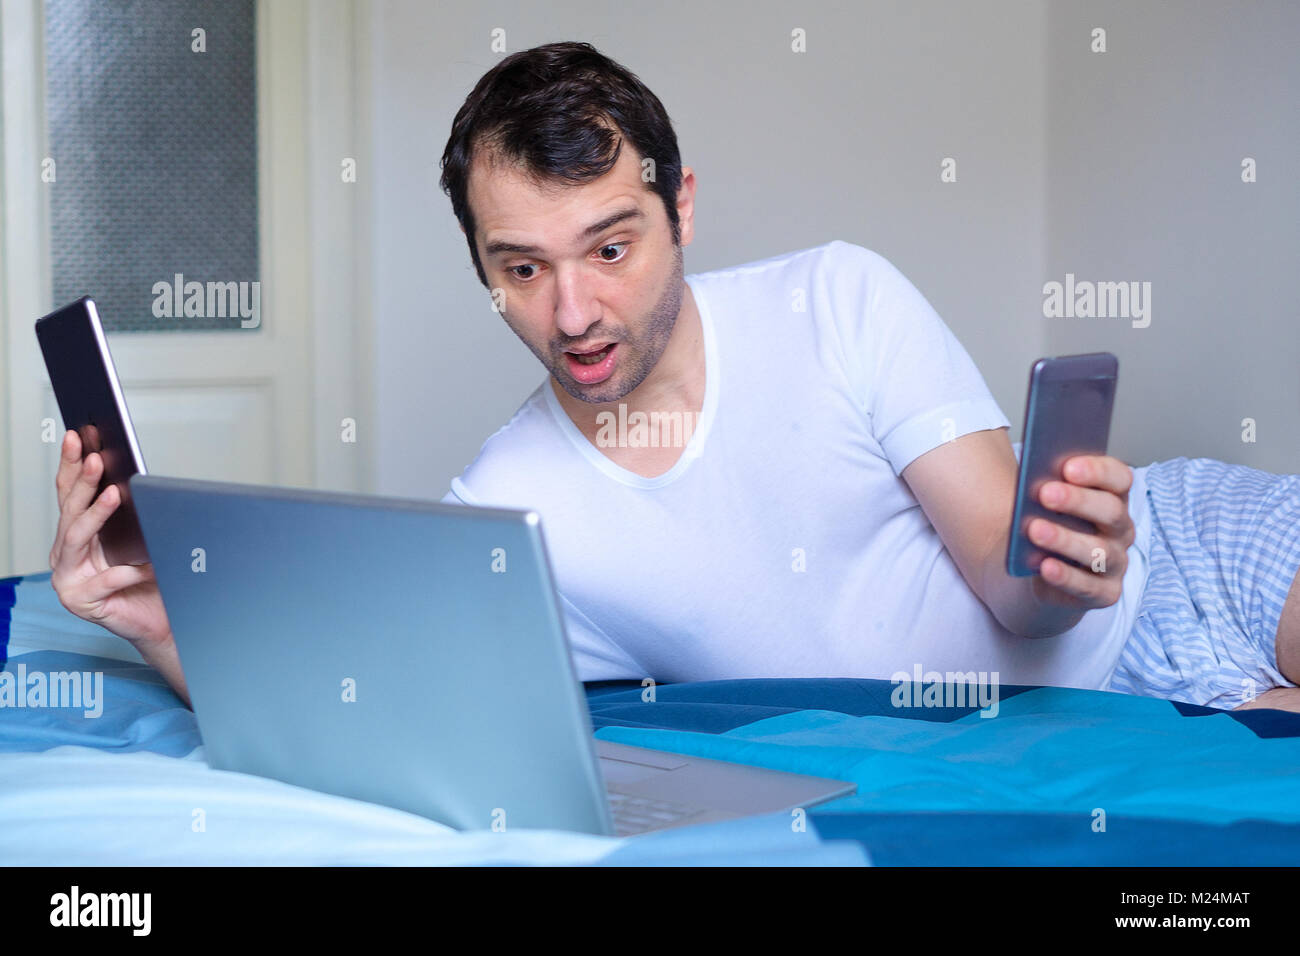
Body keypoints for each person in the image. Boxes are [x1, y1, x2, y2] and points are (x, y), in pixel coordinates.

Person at [49, 41, 1300, 714]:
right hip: (1148, 696)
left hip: (1190, 553)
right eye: (521, 268)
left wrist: (1065, 565)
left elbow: (1011, 595)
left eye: (609, 245)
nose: (575, 311)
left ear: (681, 205)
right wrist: (153, 618)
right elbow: (357, 696)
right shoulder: (511, 503)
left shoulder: (836, 297)